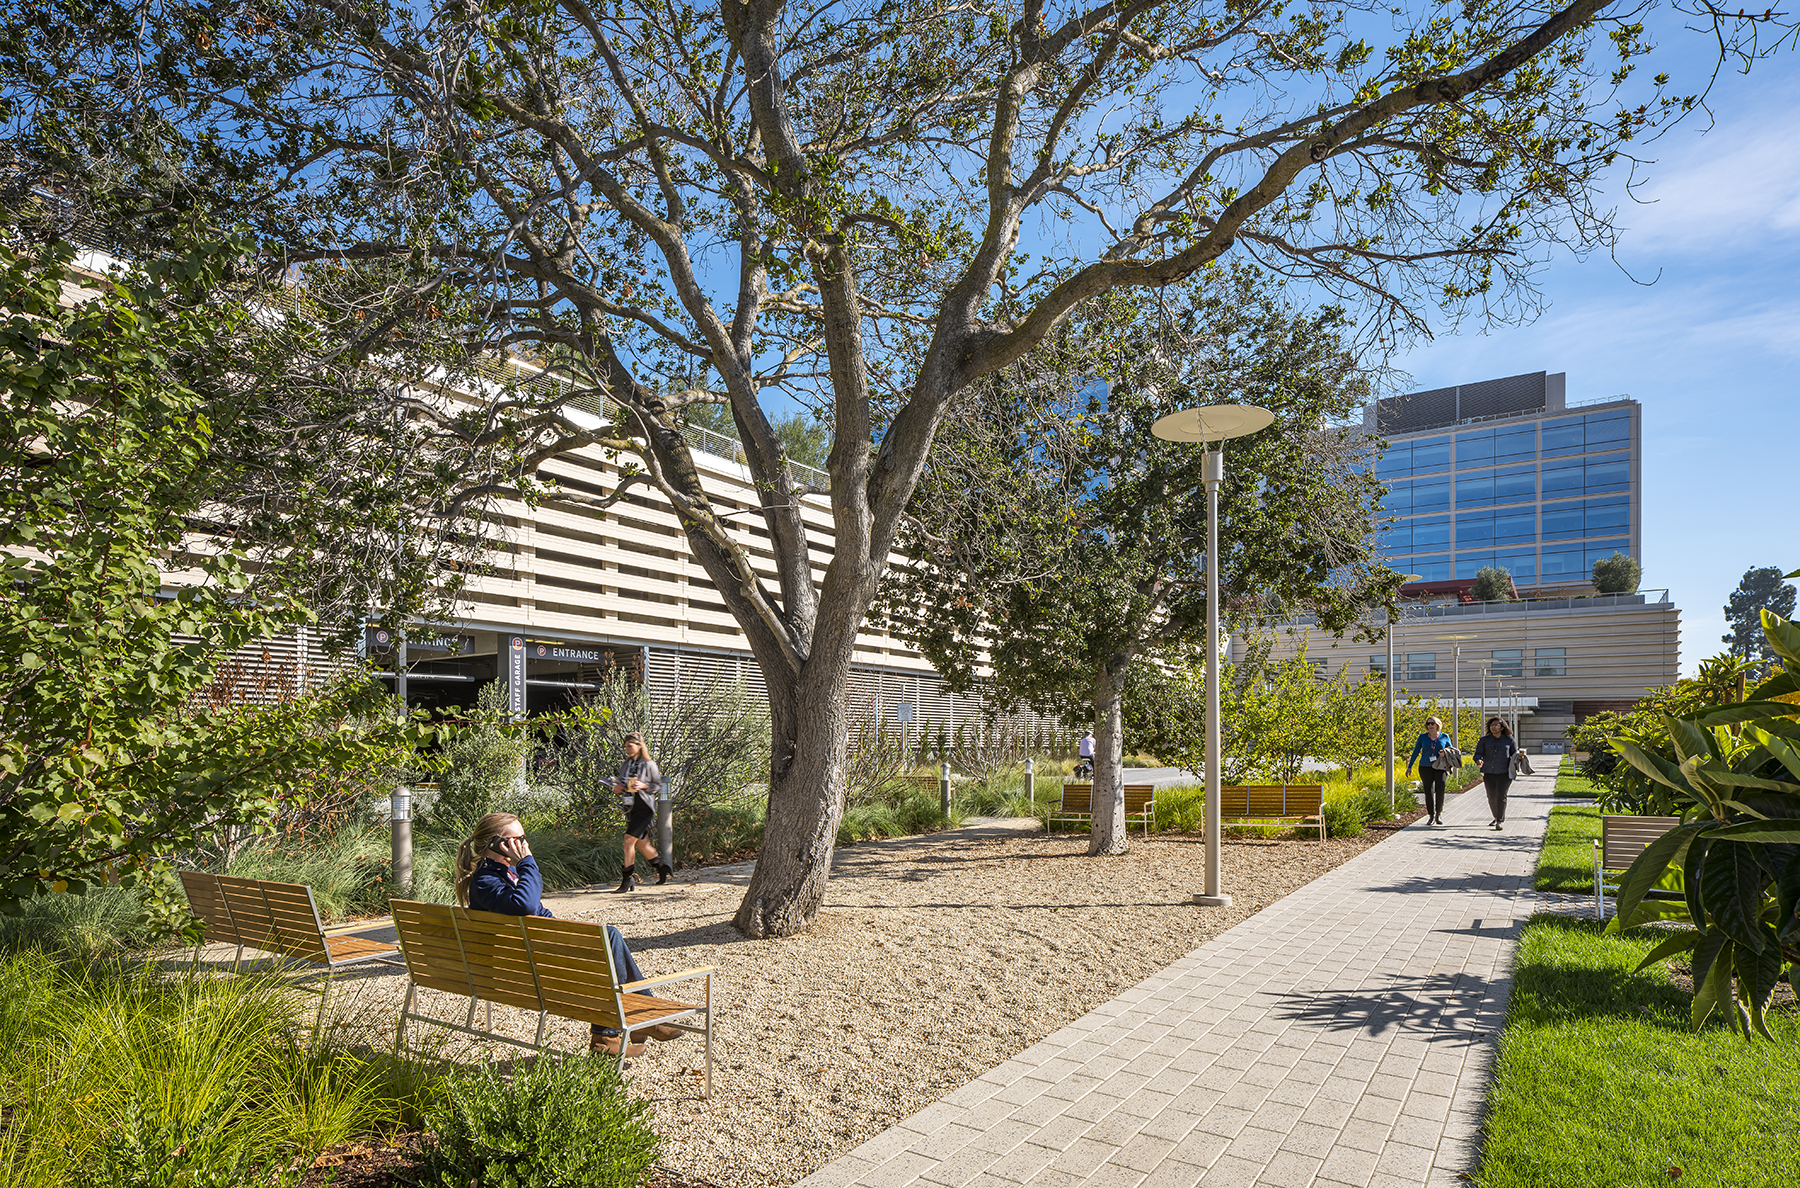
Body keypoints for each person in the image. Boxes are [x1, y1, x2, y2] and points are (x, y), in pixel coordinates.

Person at [454, 812, 685, 1057]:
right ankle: (624, 1028)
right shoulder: (486, 880)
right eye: (518, 839)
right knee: (608, 940)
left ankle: (634, 1023)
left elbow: (530, 910)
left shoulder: (497, 876)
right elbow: (526, 905)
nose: (525, 845)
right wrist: (528, 862)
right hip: (534, 967)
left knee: (606, 941)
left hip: (531, 960)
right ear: (497, 844)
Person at [611, 732, 671, 892]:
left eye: (630, 746)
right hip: (630, 807)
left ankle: (627, 879)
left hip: (644, 807)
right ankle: (662, 867)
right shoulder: (626, 764)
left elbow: (657, 785)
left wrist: (643, 786)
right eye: (626, 747)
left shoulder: (649, 764)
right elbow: (624, 784)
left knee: (628, 840)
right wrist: (619, 787)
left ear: (639, 745)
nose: (627, 750)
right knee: (643, 845)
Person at [1473, 716, 1519, 830]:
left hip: (1505, 772)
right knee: (1491, 796)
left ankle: (1500, 821)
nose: (1493, 727)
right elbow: (1478, 753)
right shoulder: (1484, 740)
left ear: (1502, 727)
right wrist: (1478, 759)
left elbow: (1514, 754)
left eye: (1496, 725)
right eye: (1491, 725)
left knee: (1501, 795)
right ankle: (1495, 816)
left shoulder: (1509, 740)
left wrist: (1520, 757)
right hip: (1489, 772)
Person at [1405, 716, 1451, 825]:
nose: (1430, 725)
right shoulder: (1422, 737)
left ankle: (1438, 814)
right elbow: (1416, 751)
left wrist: (1445, 753)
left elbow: (1451, 750)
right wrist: (1409, 766)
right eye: (1428, 723)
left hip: (1440, 767)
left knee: (1440, 790)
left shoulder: (1445, 736)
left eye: (1432, 723)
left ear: (1437, 725)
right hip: (1425, 767)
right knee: (1428, 791)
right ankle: (1431, 815)